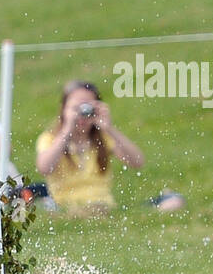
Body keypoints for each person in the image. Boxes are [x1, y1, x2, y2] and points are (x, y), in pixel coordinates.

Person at [35, 80, 144, 214]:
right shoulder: (51, 139)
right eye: (76, 108)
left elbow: (137, 162)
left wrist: (109, 128)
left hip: (102, 206)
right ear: (63, 109)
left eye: (87, 108)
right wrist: (67, 129)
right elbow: (44, 168)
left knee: (168, 203)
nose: (82, 114)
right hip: (65, 207)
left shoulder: (103, 138)